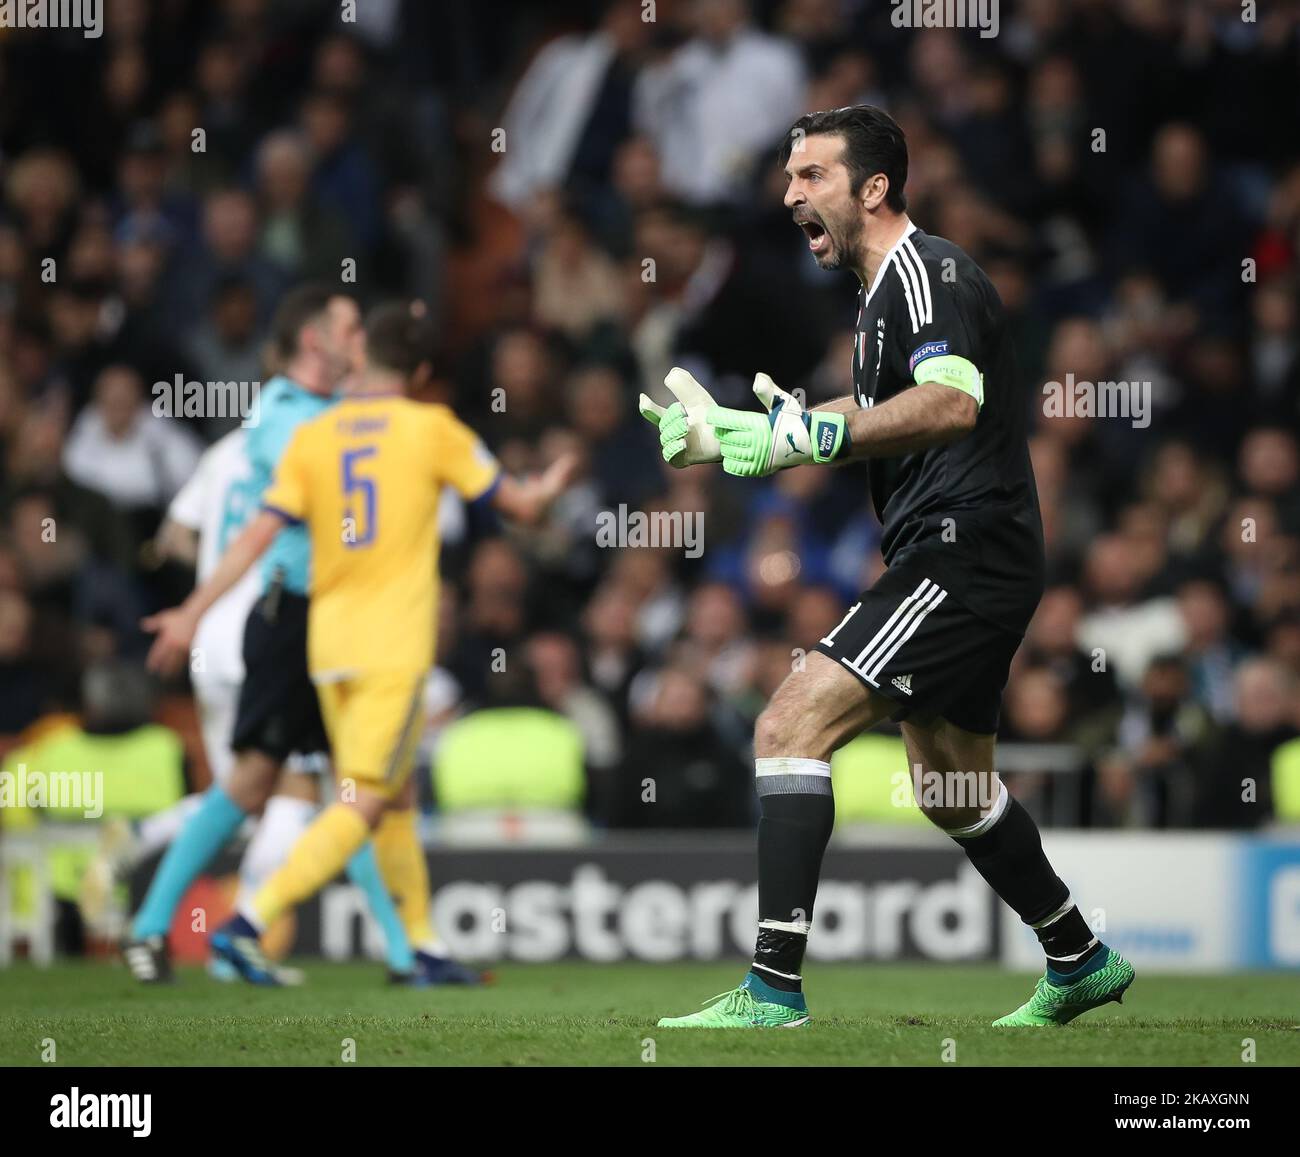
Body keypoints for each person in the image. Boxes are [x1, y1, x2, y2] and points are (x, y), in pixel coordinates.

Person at [642, 105, 1134, 1028]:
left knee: (789, 724)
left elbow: (948, 402)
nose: (790, 195)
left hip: (963, 547)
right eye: (789, 177)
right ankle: (1078, 956)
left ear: (873, 188)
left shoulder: (930, 272)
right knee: (952, 786)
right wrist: (747, 433)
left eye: (811, 176)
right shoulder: (879, 297)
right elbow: (880, 412)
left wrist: (813, 430)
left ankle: (772, 989)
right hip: (961, 547)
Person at [143, 301, 575, 984]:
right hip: (391, 646)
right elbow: (518, 507)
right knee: (364, 797)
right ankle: (249, 920)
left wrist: (193, 607)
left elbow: (258, 532)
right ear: (423, 370)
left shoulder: (317, 436)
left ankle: (421, 948)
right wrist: (546, 490)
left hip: (326, 644)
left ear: (360, 357)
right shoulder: (433, 428)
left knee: (392, 794)